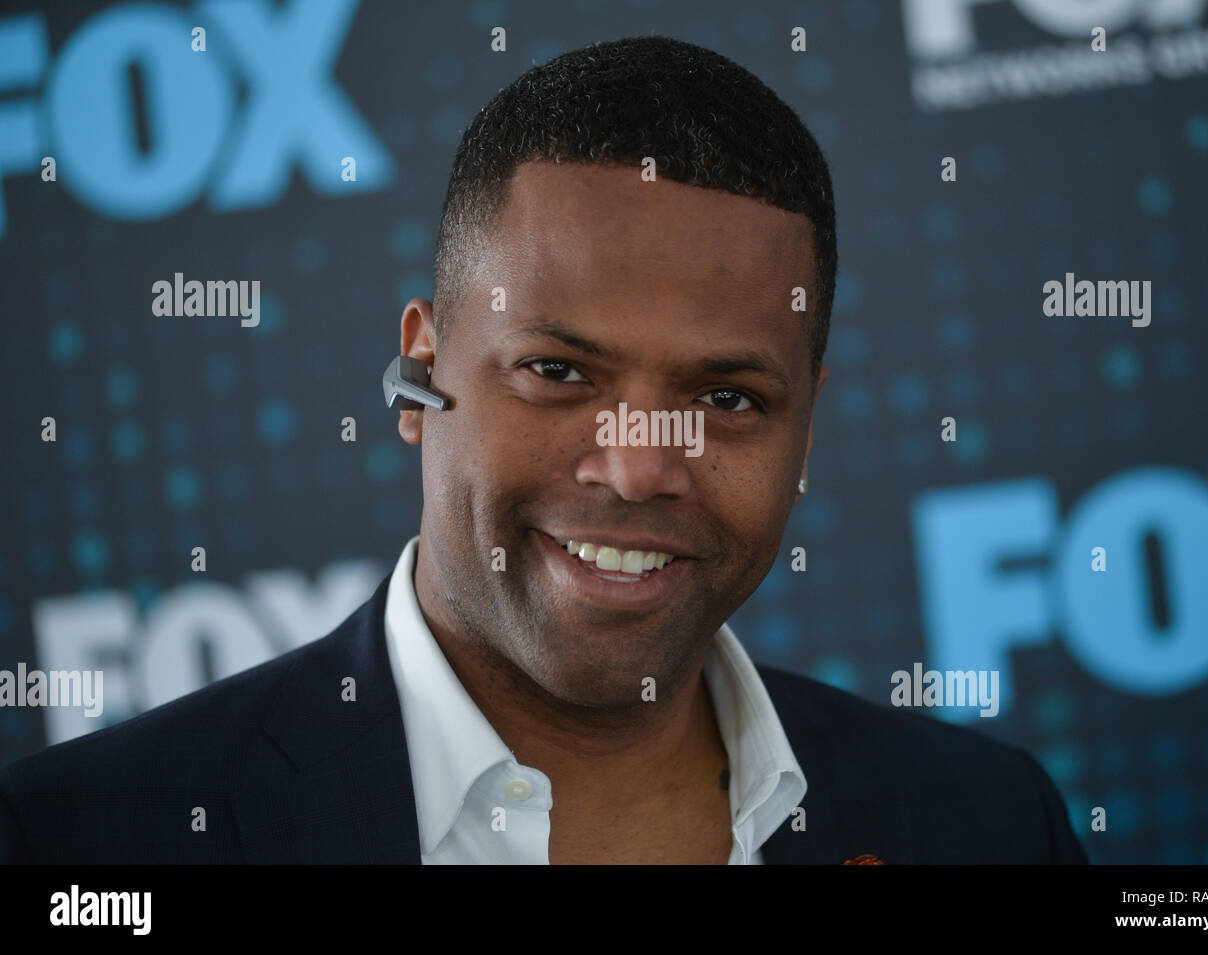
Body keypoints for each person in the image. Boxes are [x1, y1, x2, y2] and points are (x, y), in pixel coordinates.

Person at [0, 35, 1086, 865]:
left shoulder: (986, 825)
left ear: (807, 421)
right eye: (558, 372)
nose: (635, 466)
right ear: (422, 372)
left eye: (726, 396)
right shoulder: (78, 843)